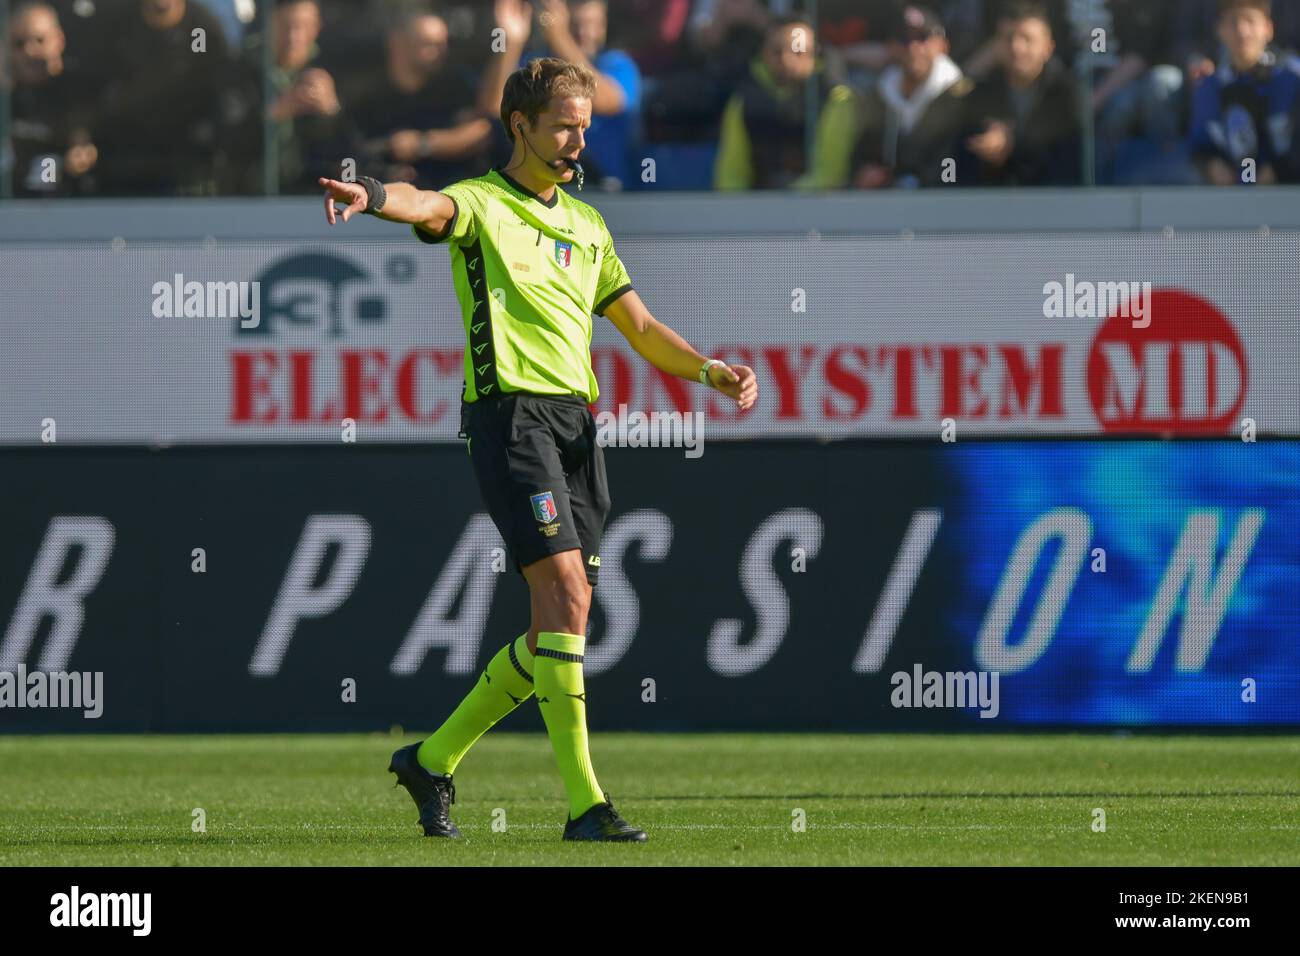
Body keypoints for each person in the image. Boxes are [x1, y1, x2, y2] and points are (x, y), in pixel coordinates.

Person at [318, 57, 758, 842]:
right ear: (518, 124)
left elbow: (643, 330)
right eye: (563, 124)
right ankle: (587, 805)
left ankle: (433, 759)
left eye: (584, 125)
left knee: (562, 620)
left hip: (576, 427)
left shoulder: (588, 225)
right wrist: (377, 194)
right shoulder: (483, 205)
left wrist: (709, 372)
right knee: (561, 589)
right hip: (510, 419)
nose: (577, 139)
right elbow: (426, 205)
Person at [713, 16, 858, 190]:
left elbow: (830, 174)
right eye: (777, 51)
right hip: (755, 207)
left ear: (814, 52)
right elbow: (731, 175)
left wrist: (786, 200)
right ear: (763, 52)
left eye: (797, 51)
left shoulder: (836, 98)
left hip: (814, 207)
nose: (786, 60)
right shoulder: (743, 102)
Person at [957, 0, 1081, 186]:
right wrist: (988, 158)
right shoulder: (979, 95)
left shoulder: (1068, 95)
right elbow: (961, 167)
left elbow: (1069, 167)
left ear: (1048, 48)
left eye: (1027, 39)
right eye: (1008, 38)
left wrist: (1012, 147)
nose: (1017, 48)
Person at [849, 5, 973, 189]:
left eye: (923, 38)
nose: (914, 48)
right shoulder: (879, 94)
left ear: (942, 45)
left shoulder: (962, 95)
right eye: (904, 39)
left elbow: (957, 166)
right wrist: (867, 171)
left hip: (947, 203)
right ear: (891, 47)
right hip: (891, 206)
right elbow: (864, 153)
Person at [1188, 0, 1300, 185]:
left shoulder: (1293, 80)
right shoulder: (1208, 88)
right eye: (1233, 22)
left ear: (1268, 28)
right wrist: (1211, 165)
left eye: (1250, 20)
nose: (1242, 31)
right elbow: (1199, 146)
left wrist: (1279, 170)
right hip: (1230, 199)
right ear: (1219, 30)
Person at [5, 1, 99, 197]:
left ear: (58, 40)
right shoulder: (7, 99)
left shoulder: (86, 93)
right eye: (18, 43)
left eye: (39, 40)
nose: (29, 51)